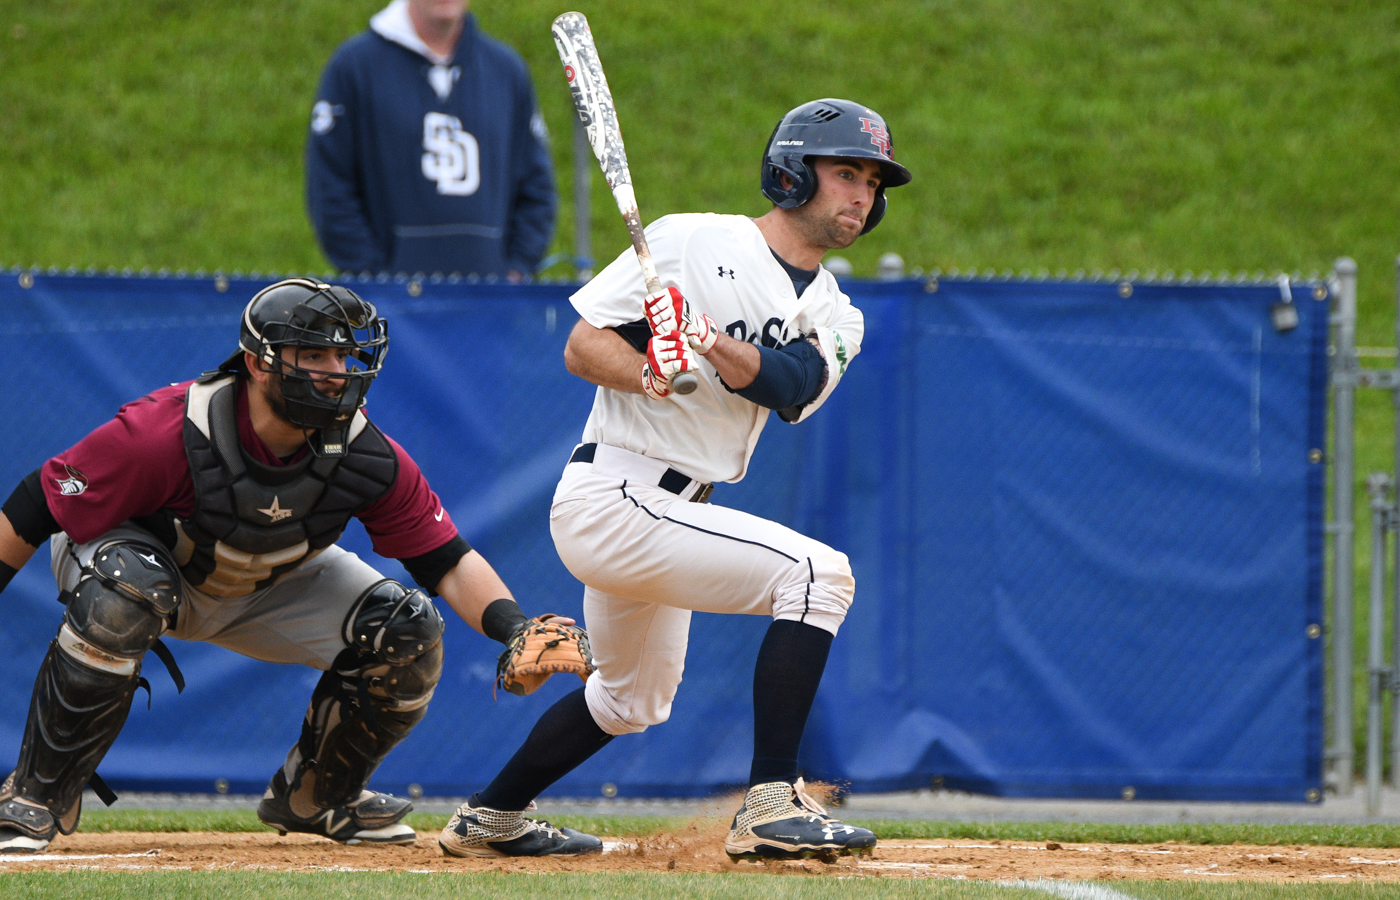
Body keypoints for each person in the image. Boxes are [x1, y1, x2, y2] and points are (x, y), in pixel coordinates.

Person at [436, 98, 913, 861]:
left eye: (872, 182)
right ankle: (768, 804)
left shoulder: (838, 313)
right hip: (616, 494)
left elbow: (790, 383)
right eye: (845, 173)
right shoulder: (692, 241)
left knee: (632, 700)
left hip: (676, 508)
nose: (861, 194)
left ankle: (491, 818)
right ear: (791, 173)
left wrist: (706, 342)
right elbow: (585, 348)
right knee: (819, 576)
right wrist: (649, 375)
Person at [0, 279, 577, 852]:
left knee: (410, 628)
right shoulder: (166, 430)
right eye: (313, 354)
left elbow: (447, 560)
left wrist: (515, 628)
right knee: (126, 593)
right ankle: (35, 796)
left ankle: (320, 798)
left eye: (343, 353)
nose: (335, 369)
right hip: (142, 565)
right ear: (257, 362)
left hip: (258, 582)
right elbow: (35, 504)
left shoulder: (367, 453)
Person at [306, 0, 556, 279]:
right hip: (390, 308)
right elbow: (330, 186)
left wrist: (516, 271)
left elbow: (536, 187)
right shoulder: (354, 68)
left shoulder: (507, 71)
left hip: (491, 306)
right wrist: (373, 276)